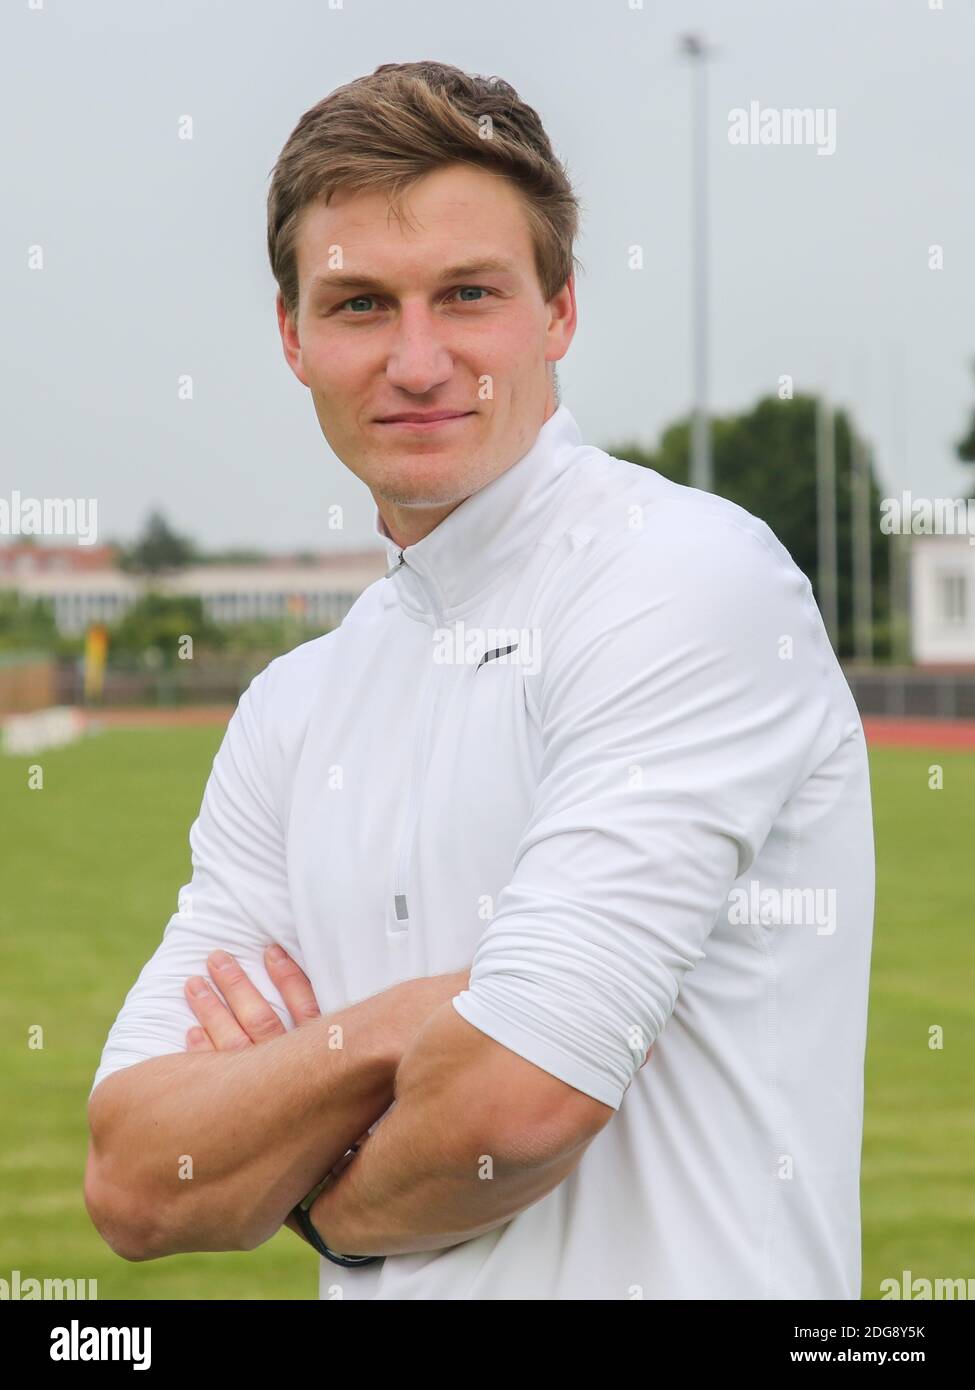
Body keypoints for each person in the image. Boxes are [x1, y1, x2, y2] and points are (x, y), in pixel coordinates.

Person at [85, 60, 875, 1300]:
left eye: (467, 294)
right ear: (292, 335)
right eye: (357, 305)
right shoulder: (296, 705)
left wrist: (311, 1177)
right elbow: (135, 1175)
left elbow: (523, 1100)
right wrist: (412, 1024)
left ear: (558, 313)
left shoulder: (684, 580)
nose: (416, 360)